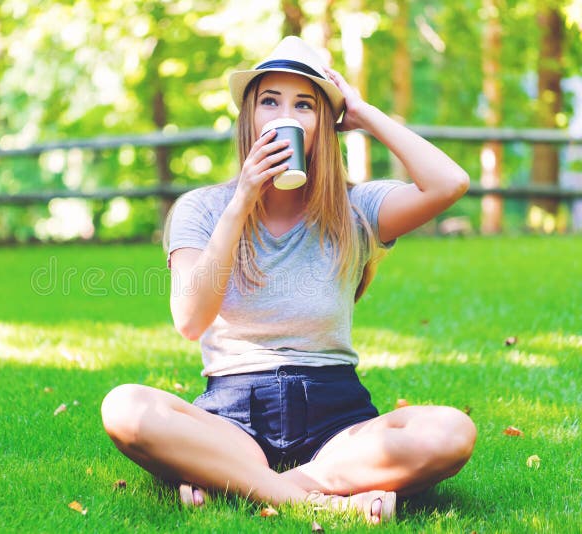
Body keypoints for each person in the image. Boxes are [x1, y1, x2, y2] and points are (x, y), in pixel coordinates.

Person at [101, 36, 476, 525]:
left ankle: (239, 485)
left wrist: (364, 114)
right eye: (270, 102)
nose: (286, 115)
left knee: (451, 431)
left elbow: (450, 183)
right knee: (125, 407)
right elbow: (190, 321)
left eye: (305, 104)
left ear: (322, 124)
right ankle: (313, 498)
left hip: (337, 421)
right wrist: (242, 201)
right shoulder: (202, 209)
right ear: (249, 118)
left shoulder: (357, 209)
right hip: (231, 416)